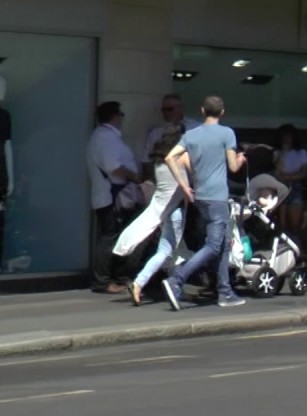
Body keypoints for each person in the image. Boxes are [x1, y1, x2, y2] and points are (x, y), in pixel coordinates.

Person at [160, 96, 246, 310]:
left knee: (224, 244)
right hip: (218, 196)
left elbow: (171, 157)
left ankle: (225, 291)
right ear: (222, 112)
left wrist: (184, 185)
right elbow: (233, 167)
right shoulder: (227, 133)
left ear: (202, 110)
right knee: (214, 245)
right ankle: (177, 279)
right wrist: (242, 159)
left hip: (201, 196)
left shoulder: (191, 134)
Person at [114, 123, 192, 306]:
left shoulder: (159, 164)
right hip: (176, 211)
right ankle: (142, 283)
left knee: (175, 252)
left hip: (162, 211)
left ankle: (174, 287)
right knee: (166, 252)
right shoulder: (182, 158)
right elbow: (196, 175)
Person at [87, 101, 142, 295]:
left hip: (108, 196)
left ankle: (114, 278)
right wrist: (135, 177)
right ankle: (103, 281)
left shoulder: (102, 136)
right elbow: (113, 166)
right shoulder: (106, 137)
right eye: (121, 114)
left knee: (113, 236)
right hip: (111, 198)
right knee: (109, 238)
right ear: (114, 116)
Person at [272, 124, 307, 236]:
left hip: (295, 186)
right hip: (280, 187)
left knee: (294, 225)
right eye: (284, 136)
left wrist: (287, 177)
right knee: (282, 224)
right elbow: (277, 172)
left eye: (289, 136)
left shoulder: (302, 153)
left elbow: (303, 173)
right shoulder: (277, 153)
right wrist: (283, 152)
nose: (286, 139)